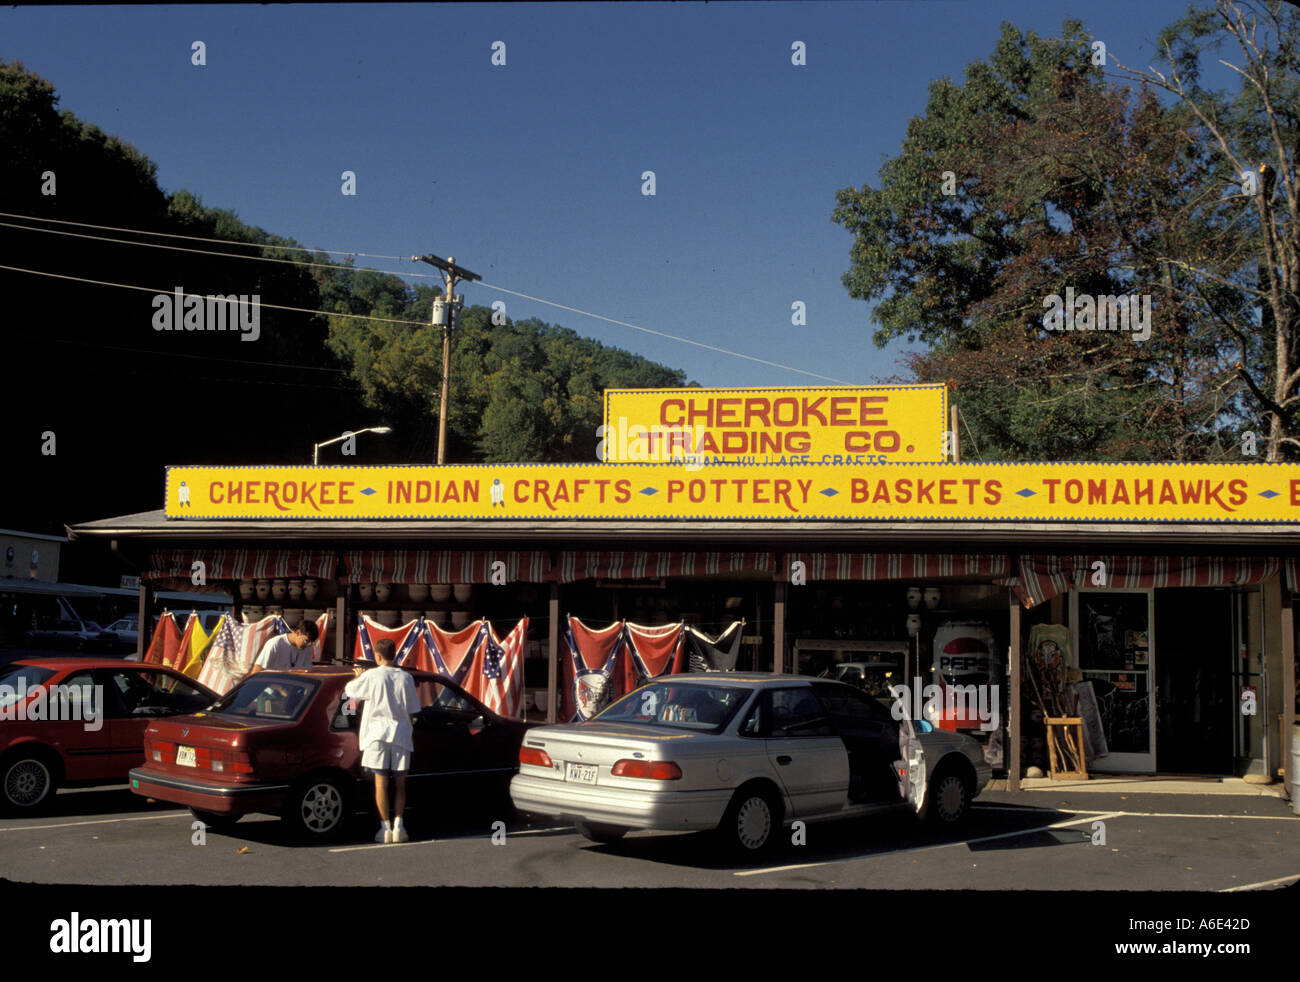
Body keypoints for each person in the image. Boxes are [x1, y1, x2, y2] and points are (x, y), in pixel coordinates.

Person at [344, 637, 421, 843]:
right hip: (401, 733)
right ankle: (399, 825)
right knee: (400, 783)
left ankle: (384, 828)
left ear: (377, 656)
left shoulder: (371, 676)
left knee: (381, 783)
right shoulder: (405, 678)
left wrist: (356, 676)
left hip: (376, 734)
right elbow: (413, 711)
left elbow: (350, 693)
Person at [251, 620, 319, 671]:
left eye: (311, 643)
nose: (308, 645)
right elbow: (257, 671)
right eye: (306, 641)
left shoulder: (307, 648)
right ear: (298, 633)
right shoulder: (275, 644)